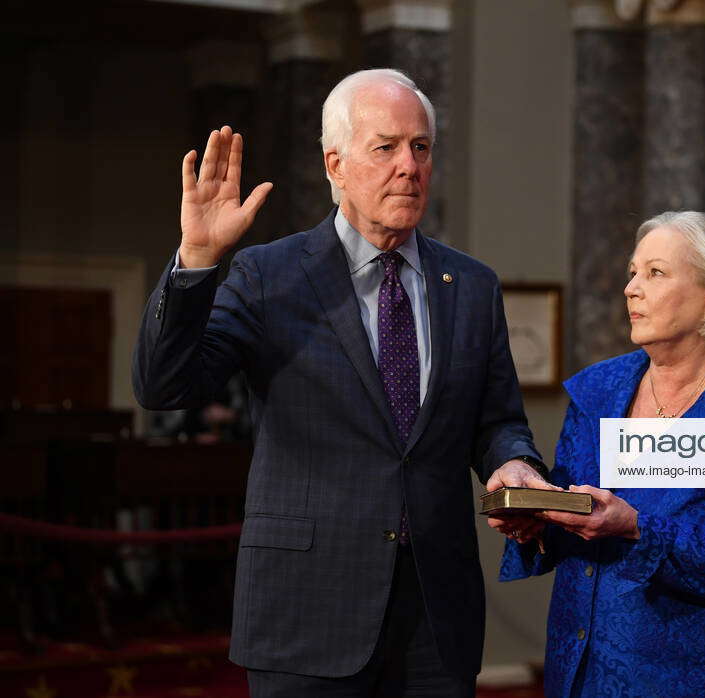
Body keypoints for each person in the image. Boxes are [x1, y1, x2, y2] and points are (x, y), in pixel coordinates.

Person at [133, 68, 553, 698]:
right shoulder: (269, 275)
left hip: (436, 617)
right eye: (386, 147)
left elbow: (497, 422)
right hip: (308, 608)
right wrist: (196, 261)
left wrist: (514, 462)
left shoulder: (470, 285)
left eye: (420, 147)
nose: (409, 166)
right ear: (336, 165)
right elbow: (165, 386)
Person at [491, 211, 705, 697]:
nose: (631, 289)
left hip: (701, 675)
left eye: (655, 273)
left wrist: (636, 527)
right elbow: (575, 507)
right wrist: (534, 516)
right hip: (584, 665)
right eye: (633, 272)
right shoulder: (598, 391)